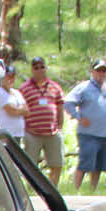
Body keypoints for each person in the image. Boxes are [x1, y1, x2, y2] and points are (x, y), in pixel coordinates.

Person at [63, 59, 106, 192]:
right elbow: (68, 102)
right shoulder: (84, 87)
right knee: (85, 164)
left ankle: (92, 190)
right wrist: (78, 117)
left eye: (103, 70)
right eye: (98, 70)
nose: (101, 73)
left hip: (105, 133)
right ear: (92, 71)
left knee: (99, 166)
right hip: (89, 134)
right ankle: (76, 190)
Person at [19, 56, 66, 186]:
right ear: (32, 70)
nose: (39, 70)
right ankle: (32, 190)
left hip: (52, 132)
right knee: (30, 165)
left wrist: (60, 125)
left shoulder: (55, 87)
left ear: (45, 68)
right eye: (36, 68)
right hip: (32, 133)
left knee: (57, 164)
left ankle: (52, 190)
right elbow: (21, 108)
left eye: (42, 67)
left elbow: (60, 106)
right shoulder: (24, 88)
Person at [0, 63, 27, 146]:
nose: (10, 79)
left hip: (18, 134)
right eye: (8, 76)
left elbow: (27, 111)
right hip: (6, 135)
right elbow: (12, 111)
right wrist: (19, 109)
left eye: (12, 76)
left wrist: (18, 109)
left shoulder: (17, 93)